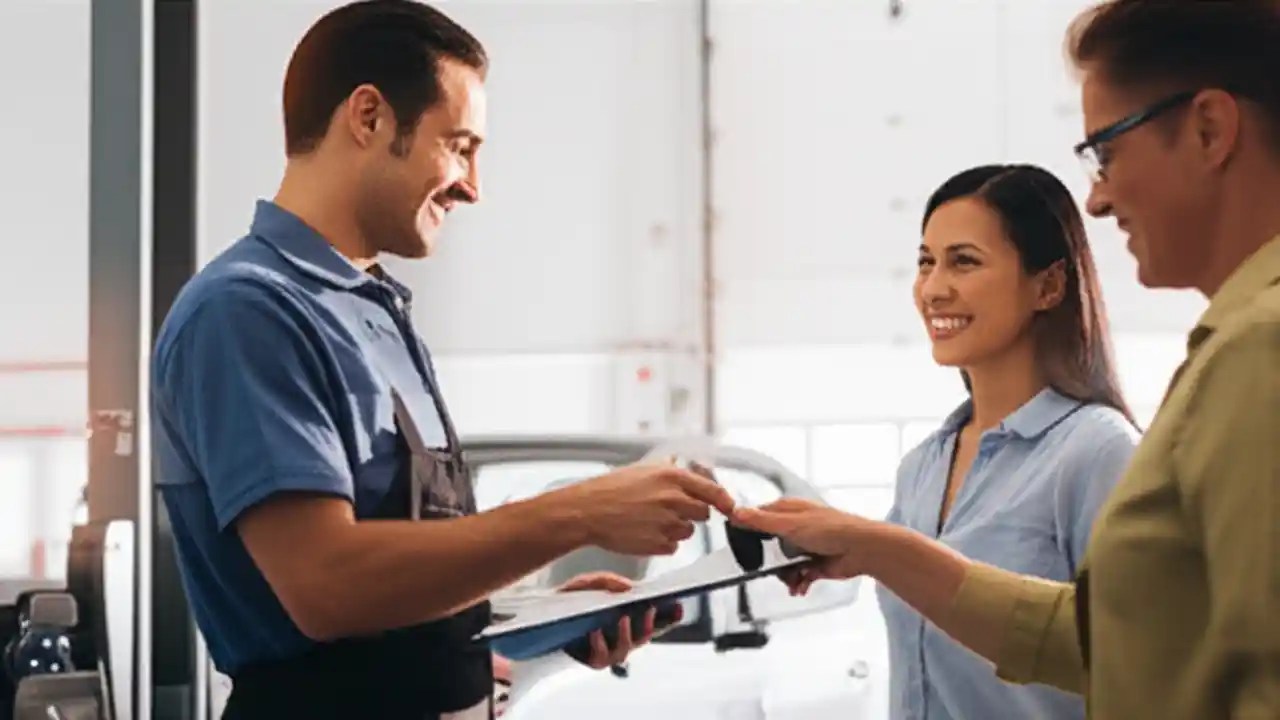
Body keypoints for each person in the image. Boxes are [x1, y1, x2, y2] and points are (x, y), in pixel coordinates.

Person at [150, 2, 735, 718]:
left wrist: (529, 618)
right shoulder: (246, 312)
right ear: (368, 118)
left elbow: (401, 587)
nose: (473, 185)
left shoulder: (376, 313)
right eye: (458, 145)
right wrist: (575, 514)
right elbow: (327, 586)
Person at [733, 2, 1280, 719]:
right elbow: (1108, 642)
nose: (1099, 196)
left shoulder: (1255, 355)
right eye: (926, 262)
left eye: (1106, 151)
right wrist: (872, 545)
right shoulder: (1234, 349)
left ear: (1209, 129)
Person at [877, 164, 1139, 720]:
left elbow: (1140, 666)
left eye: (963, 262)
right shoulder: (922, 467)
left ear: (1048, 286)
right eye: (926, 262)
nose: (933, 289)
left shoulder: (1096, 453)